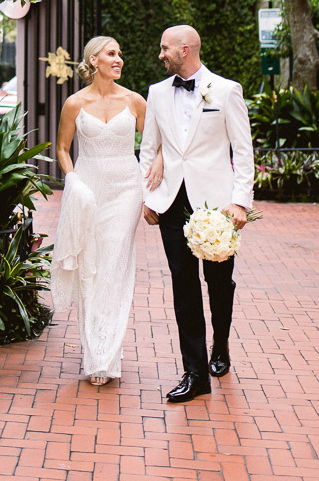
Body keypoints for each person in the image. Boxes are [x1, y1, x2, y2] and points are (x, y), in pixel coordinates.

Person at [139, 24, 254, 403]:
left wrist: (240, 202)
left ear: (185, 49)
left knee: (219, 284)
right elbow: (148, 149)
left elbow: (243, 150)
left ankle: (220, 345)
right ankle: (195, 372)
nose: (161, 55)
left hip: (219, 207)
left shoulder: (226, 90)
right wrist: (148, 198)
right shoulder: (156, 93)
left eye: (165, 49)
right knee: (183, 287)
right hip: (172, 204)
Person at [50, 35, 163, 386]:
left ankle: (105, 356)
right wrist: (73, 182)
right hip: (88, 189)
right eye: (112, 54)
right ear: (94, 59)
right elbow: (63, 149)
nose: (119, 59)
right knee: (91, 268)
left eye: (120, 54)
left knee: (114, 266)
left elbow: (157, 144)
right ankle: (93, 349)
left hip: (126, 190)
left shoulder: (135, 101)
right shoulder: (74, 103)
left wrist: (155, 175)